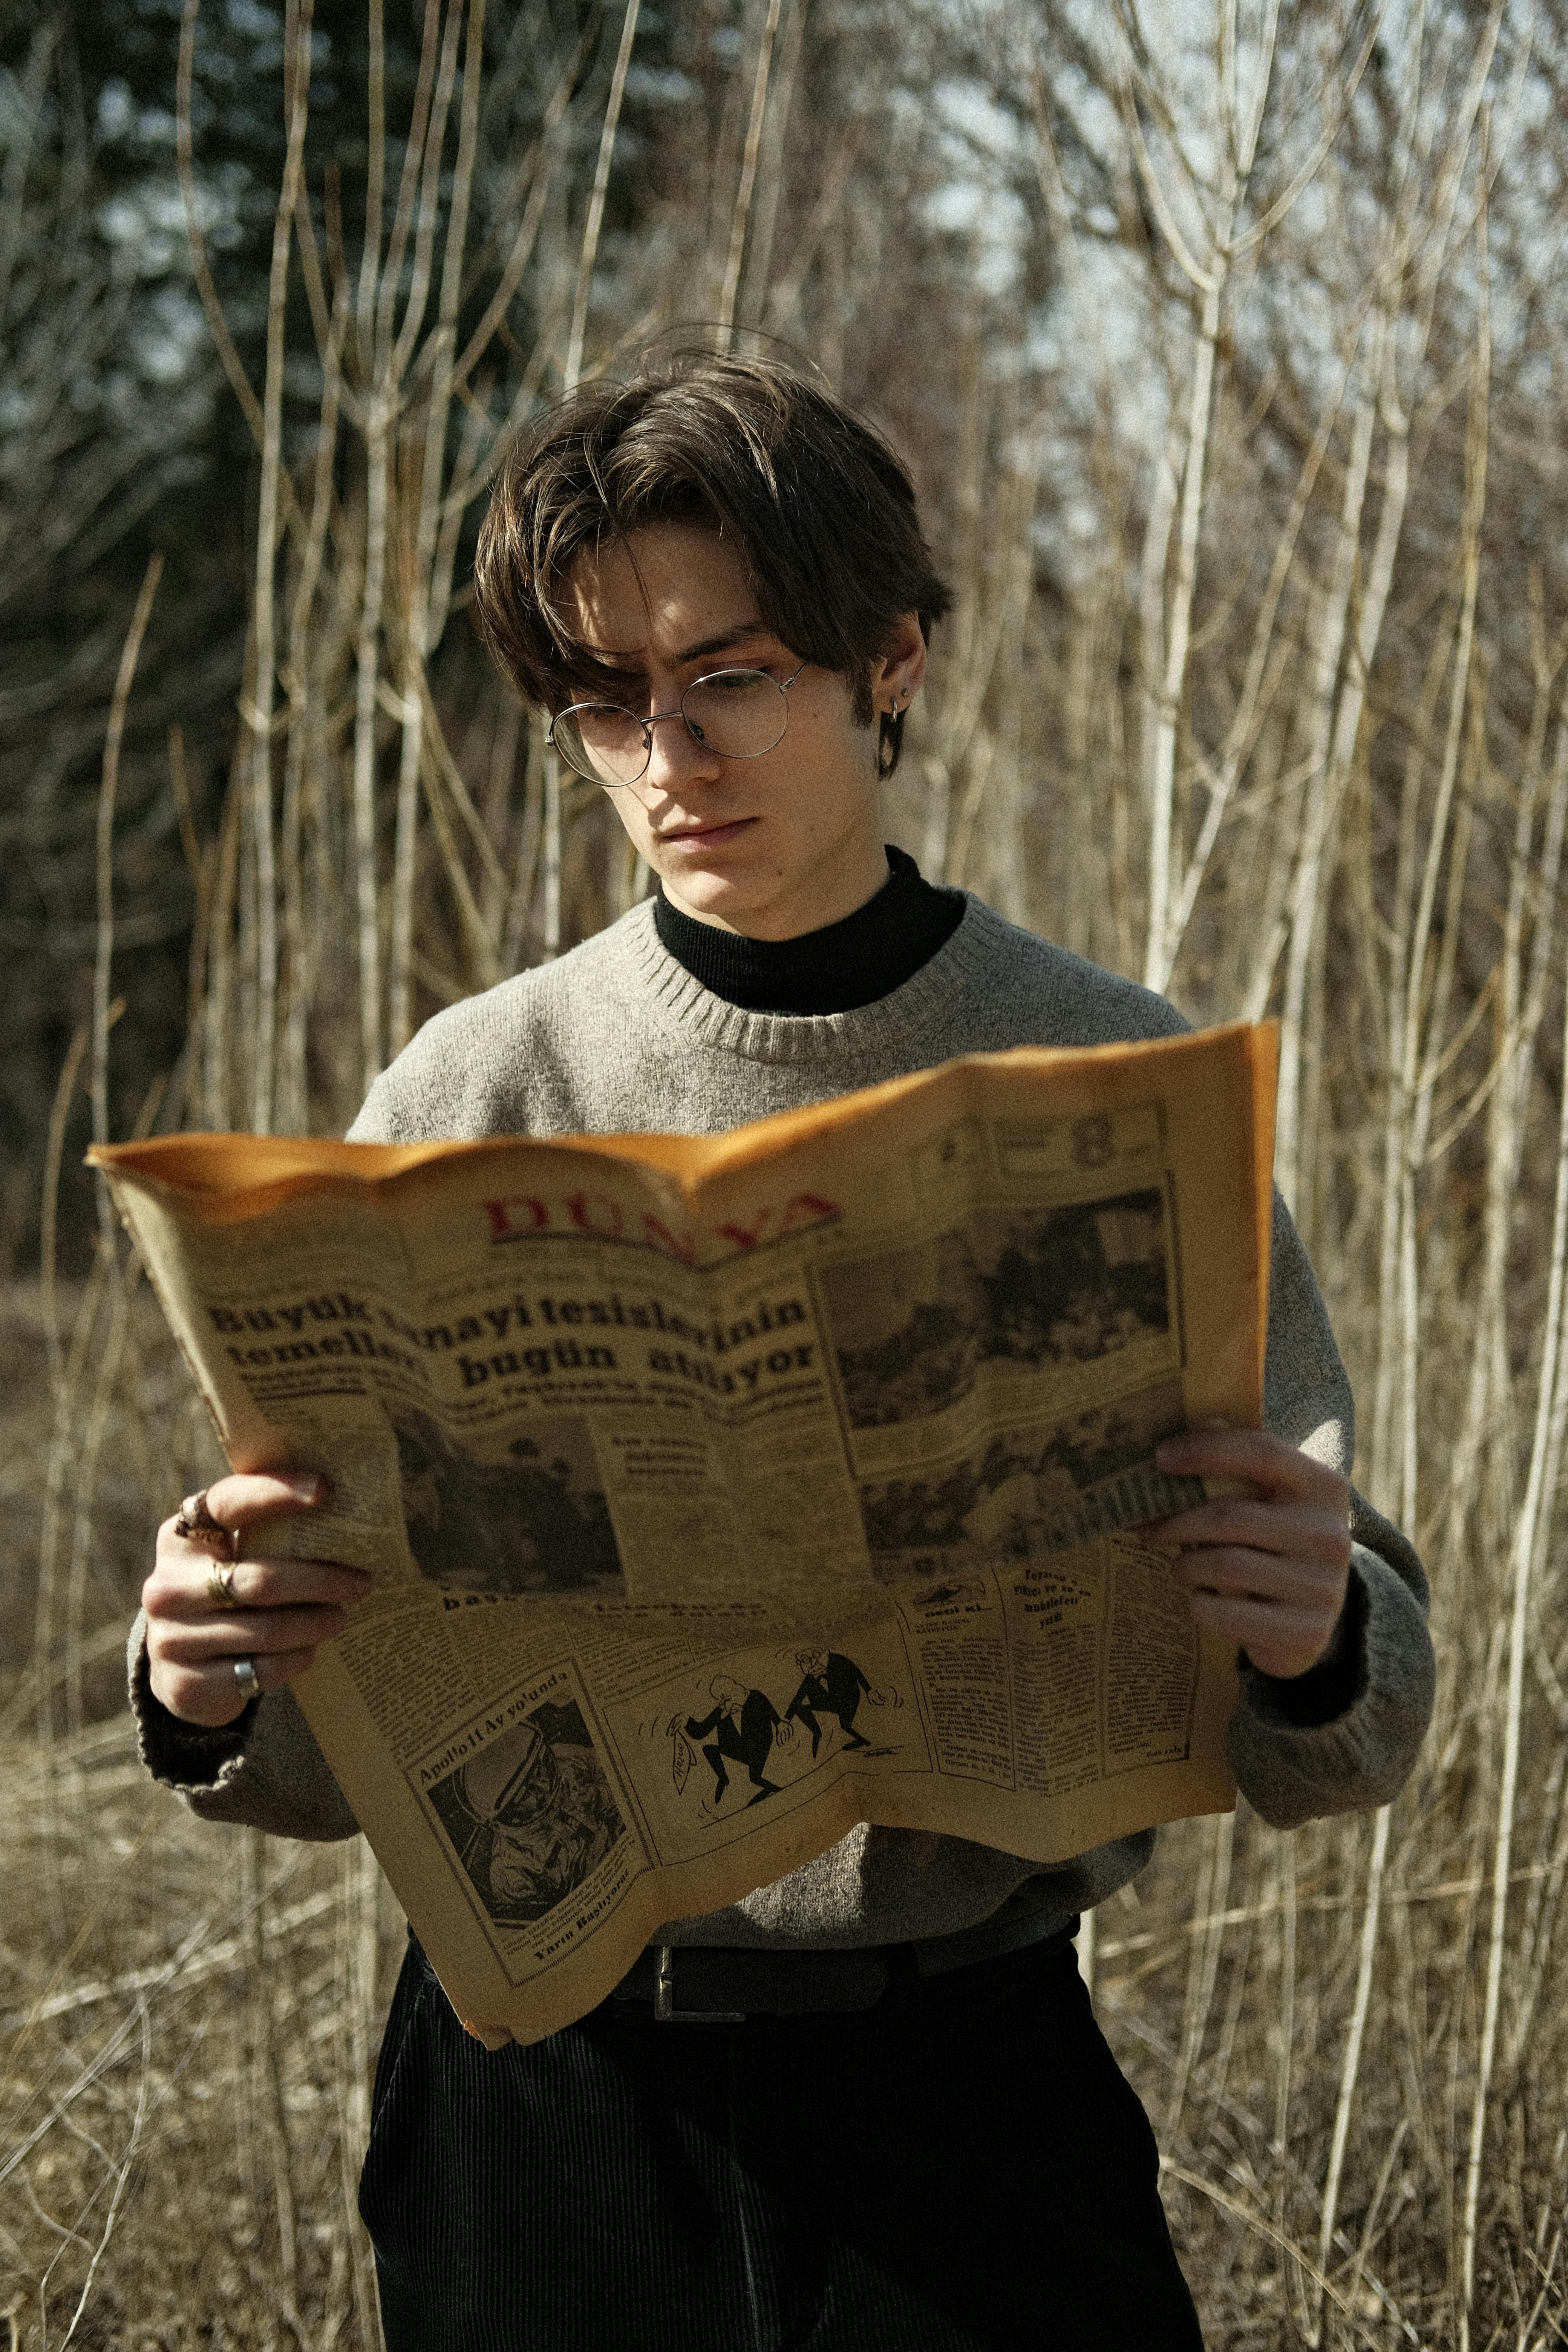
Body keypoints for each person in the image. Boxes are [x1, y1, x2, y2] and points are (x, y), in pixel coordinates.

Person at [133, 350, 1435, 2351]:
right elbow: (322, 1763)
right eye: (604, 703)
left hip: (965, 2108)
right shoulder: (477, 1084)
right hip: (545, 2111)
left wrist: (1318, 1627)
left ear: (889, 662)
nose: (671, 755)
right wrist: (206, 1685)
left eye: (730, 677)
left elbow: (1353, 1718)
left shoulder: (1106, 1074)